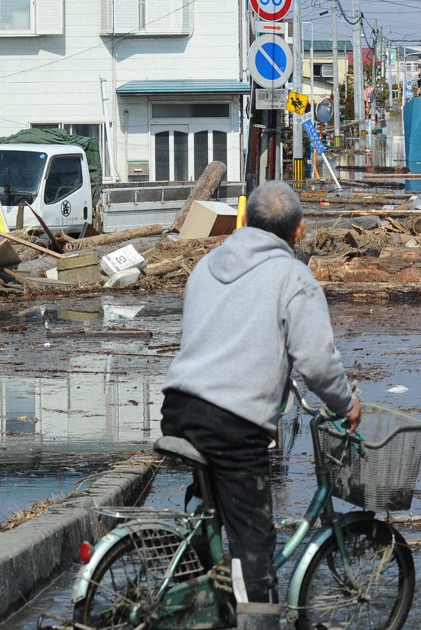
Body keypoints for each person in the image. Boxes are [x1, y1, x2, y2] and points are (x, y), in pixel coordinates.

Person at [159, 180, 361, 606]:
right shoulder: (294, 277)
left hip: (178, 406)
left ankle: (199, 596)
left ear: (245, 220)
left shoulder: (207, 265)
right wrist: (347, 403)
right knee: (254, 538)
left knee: (210, 510)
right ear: (300, 231)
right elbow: (318, 362)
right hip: (233, 423)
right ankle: (256, 616)